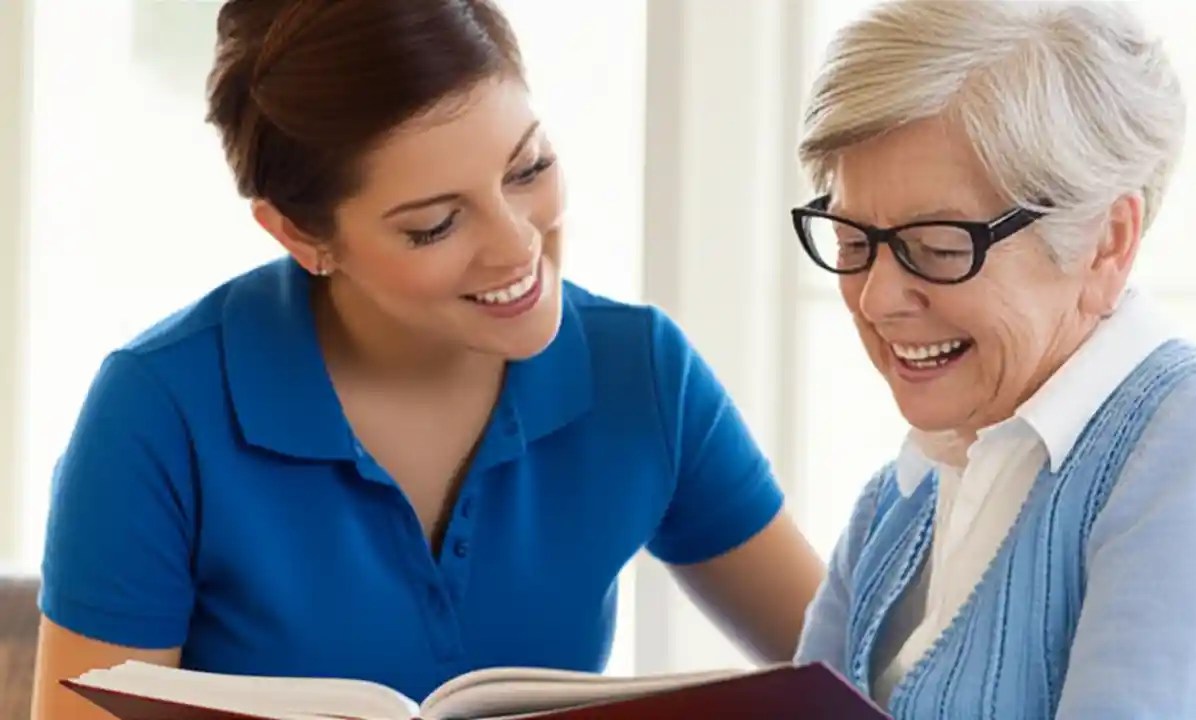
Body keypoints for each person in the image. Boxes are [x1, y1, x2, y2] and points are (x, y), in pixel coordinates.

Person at [30, 1, 825, 717]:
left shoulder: (642, 374)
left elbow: (854, 675)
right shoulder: (158, 413)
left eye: (528, 169)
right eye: (435, 225)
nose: (519, 243)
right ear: (302, 237)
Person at [790, 1, 1196, 717]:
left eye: (939, 247)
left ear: (1107, 241)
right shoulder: (895, 504)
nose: (876, 300)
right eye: (853, 242)